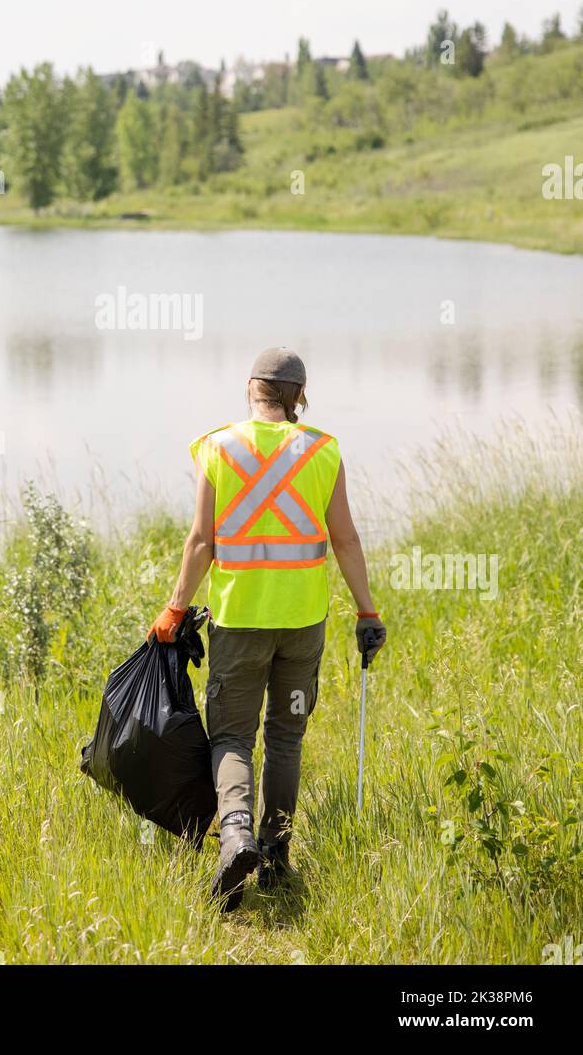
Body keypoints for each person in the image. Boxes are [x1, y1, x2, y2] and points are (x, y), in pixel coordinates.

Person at [147, 346, 386, 911]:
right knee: (286, 734)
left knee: (232, 735)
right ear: (298, 395)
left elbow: (202, 542)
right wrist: (367, 612)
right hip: (303, 623)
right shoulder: (323, 452)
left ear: (251, 388)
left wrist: (176, 609)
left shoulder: (218, 447)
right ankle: (276, 852)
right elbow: (346, 540)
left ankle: (235, 836)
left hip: (239, 620)